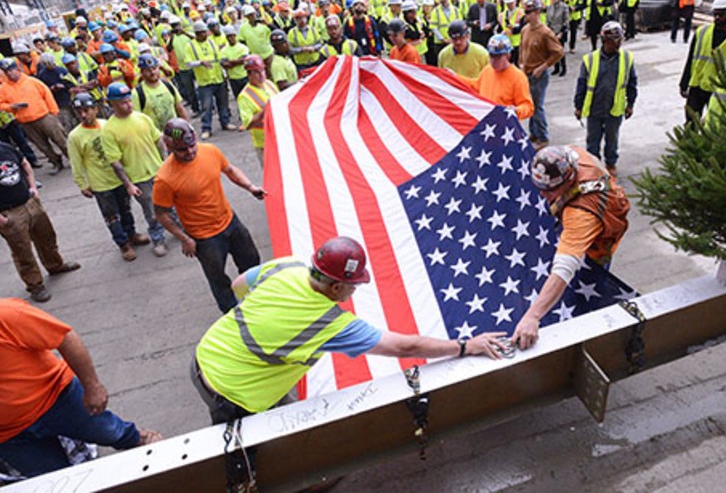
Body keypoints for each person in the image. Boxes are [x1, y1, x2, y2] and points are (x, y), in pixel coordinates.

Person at [192, 236, 509, 422]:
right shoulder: (328, 324)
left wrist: (268, 317)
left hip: (205, 355)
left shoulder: (289, 266)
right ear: (335, 287)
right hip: (232, 394)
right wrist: (466, 346)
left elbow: (238, 284)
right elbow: (405, 347)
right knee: (260, 464)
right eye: (353, 285)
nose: (355, 291)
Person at [0, 299, 160, 477]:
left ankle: (141, 440)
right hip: (8, 435)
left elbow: (65, 338)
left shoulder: (7, 314)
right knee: (53, 479)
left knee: (110, 432)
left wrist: (92, 386)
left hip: (58, 398)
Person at [511, 146, 630, 349]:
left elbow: (563, 270)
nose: (543, 195)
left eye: (550, 191)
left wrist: (533, 316)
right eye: (539, 188)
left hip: (595, 249)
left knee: (586, 289)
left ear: (567, 182)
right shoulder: (572, 155)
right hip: (582, 215)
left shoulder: (581, 215)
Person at [153, 119, 262, 313]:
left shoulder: (210, 151)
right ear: (169, 147)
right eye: (182, 150)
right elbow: (161, 214)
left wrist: (250, 187)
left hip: (231, 222)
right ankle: (233, 314)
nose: (190, 152)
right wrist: (185, 239)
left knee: (252, 262)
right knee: (217, 278)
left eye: (192, 145)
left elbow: (229, 170)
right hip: (204, 238)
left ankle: (259, 299)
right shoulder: (164, 179)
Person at [68, 93, 147, 262]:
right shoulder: (75, 136)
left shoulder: (107, 125)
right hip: (100, 184)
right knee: (111, 216)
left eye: (87, 110)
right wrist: (82, 184)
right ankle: (123, 243)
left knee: (126, 209)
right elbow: (76, 162)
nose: (83, 115)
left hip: (119, 178)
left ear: (96, 109)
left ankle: (131, 233)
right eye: (79, 112)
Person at [0, 140, 79, 302]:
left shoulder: (5, 148)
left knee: (47, 237)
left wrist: (33, 188)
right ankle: (35, 285)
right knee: (22, 251)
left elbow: (24, 164)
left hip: (29, 202)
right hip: (9, 212)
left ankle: (55, 265)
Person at [101, 82, 168, 257]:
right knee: (151, 211)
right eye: (123, 102)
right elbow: (115, 162)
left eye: (129, 100)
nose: (129, 105)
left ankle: (181, 229)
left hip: (159, 171)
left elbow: (159, 140)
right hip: (139, 178)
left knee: (171, 204)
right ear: (112, 104)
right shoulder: (109, 130)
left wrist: (166, 161)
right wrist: (128, 184)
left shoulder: (142, 118)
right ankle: (158, 239)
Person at [573, 21, 637, 176]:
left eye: (620, 39)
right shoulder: (590, 59)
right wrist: (578, 106)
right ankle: (593, 166)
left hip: (614, 108)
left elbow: (632, 82)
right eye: (617, 40)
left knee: (612, 139)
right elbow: (581, 84)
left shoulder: (626, 58)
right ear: (606, 40)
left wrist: (630, 104)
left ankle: (610, 163)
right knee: (592, 140)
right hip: (594, 108)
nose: (619, 43)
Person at [0, 59, 70, 175]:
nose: (9, 73)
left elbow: (47, 94)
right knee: (42, 146)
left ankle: (73, 158)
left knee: (61, 139)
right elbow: (1, 104)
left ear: (17, 69)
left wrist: (54, 112)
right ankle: (56, 162)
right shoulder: (3, 88)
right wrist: (11, 106)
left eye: (11, 70)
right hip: (26, 122)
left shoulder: (32, 81)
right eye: (6, 71)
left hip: (44, 116)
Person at [678, 0, 726, 124]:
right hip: (697, 85)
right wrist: (684, 83)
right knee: (691, 122)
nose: (717, 18)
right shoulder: (702, 31)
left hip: (718, 89)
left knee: (713, 123)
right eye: (715, 14)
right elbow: (690, 58)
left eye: (721, 15)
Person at [519, 0, 564, 149]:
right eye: (526, 12)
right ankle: (534, 133)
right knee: (531, 105)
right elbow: (522, 48)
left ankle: (543, 137)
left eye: (529, 12)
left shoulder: (545, 32)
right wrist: (521, 64)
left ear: (537, 12)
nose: (527, 15)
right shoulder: (525, 30)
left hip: (538, 74)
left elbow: (558, 52)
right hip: (527, 73)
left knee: (537, 106)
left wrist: (543, 67)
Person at [459, 34, 533, 120]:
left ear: (508, 56)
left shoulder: (518, 77)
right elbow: (476, 86)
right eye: (491, 56)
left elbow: (528, 106)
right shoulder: (487, 70)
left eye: (498, 57)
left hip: (503, 124)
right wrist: (454, 77)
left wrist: (516, 110)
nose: (493, 61)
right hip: (486, 122)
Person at [236, 55, 280, 165]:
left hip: (279, 136)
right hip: (264, 143)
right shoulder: (244, 96)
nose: (261, 75)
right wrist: (265, 110)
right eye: (256, 72)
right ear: (249, 74)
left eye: (262, 70)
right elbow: (248, 124)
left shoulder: (269, 84)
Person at [132, 53, 188, 131]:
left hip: (175, 132)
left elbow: (180, 108)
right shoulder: (137, 93)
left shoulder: (167, 84)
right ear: (142, 72)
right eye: (148, 70)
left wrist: (187, 128)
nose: (152, 72)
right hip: (155, 136)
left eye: (154, 68)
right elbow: (138, 120)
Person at [546, 0, 570, 76]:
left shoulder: (564, 7)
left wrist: (561, 33)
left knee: (560, 50)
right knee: (553, 50)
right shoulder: (550, 7)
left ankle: (563, 68)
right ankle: (556, 68)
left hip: (561, 31)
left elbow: (566, 21)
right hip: (552, 31)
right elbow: (548, 20)